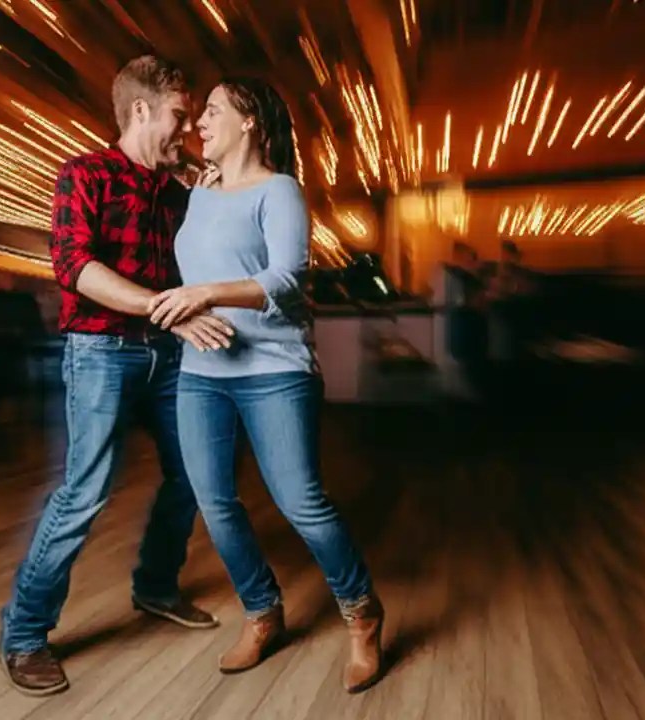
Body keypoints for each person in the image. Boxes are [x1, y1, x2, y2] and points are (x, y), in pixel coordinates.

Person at [0, 55, 236, 697]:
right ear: (140, 111)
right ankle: (22, 634)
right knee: (86, 490)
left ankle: (156, 585)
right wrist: (165, 309)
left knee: (193, 474)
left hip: (169, 353)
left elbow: (219, 251)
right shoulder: (85, 174)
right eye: (180, 118)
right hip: (101, 350)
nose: (186, 133)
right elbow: (76, 267)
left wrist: (218, 188)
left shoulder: (178, 191)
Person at [146, 78, 385, 693]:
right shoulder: (201, 191)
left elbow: (285, 278)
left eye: (215, 111)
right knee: (214, 501)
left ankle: (361, 613)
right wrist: (191, 310)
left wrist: (208, 292)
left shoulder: (279, 191)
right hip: (202, 374)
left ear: (249, 121)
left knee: (301, 500)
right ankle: (262, 611)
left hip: (273, 371)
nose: (201, 122)